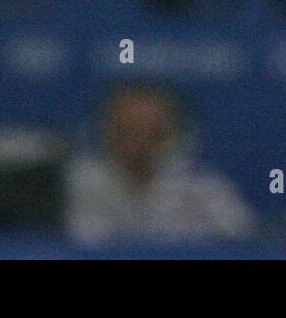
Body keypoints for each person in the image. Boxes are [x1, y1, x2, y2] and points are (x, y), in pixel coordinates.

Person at [65, 82, 255, 244]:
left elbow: (243, 241)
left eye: (149, 130)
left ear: (170, 131)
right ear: (108, 129)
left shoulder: (203, 187)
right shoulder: (78, 184)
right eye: (127, 129)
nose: (138, 141)